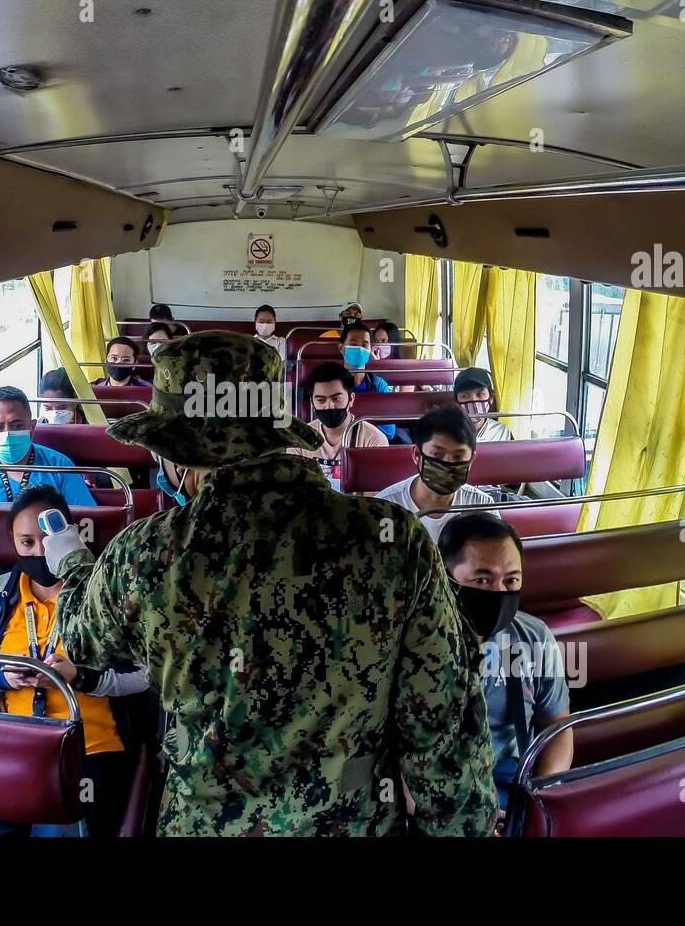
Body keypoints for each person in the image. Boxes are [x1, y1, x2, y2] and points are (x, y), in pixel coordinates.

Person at [41, 330, 497, 836]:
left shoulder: (145, 555)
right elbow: (443, 730)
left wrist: (73, 564)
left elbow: (84, 642)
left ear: (182, 454)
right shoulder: (396, 541)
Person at [0, 485, 153, 837]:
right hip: (12, 746)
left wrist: (80, 677)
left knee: (57, 831)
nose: (38, 551)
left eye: (47, 537)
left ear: (69, 533)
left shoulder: (103, 593)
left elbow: (144, 675)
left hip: (89, 750)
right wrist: (3, 677)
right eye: (26, 542)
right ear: (13, 545)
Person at [438, 513, 573, 810]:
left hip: (511, 784)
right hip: (437, 792)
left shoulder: (533, 637)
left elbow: (558, 729)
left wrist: (536, 799)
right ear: (445, 577)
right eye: (483, 579)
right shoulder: (416, 646)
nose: (499, 592)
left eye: (511, 580)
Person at [0, 386, 96, 584]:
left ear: (32, 426)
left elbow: (87, 520)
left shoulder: (59, 466)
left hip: (52, 574)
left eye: (17, 426)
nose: (7, 434)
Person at [375, 406, 497, 543]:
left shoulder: (481, 506)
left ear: (471, 460)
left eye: (458, 457)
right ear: (417, 454)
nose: (447, 464)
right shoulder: (387, 507)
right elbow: (382, 558)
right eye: (437, 455)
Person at [290, 362, 386, 492]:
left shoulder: (373, 440)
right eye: (321, 400)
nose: (329, 406)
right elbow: (294, 488)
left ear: (351, 399)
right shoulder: (299, 439)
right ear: (312, 403)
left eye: (336, 399)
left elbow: (374, 497)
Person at [340, 321, 395, 441]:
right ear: (341, 348)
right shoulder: (331, 384)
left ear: (370, 349)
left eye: (365, 345)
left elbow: (388, 431)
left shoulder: (379, 385)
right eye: (353, 344)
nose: (359, 349)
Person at [453, 367, 511, 443]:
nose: (473, 400)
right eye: (465, 396)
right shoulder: (446, 432)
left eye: (479, 394)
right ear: (456, 402)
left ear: (491, 398)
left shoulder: (501, 432)